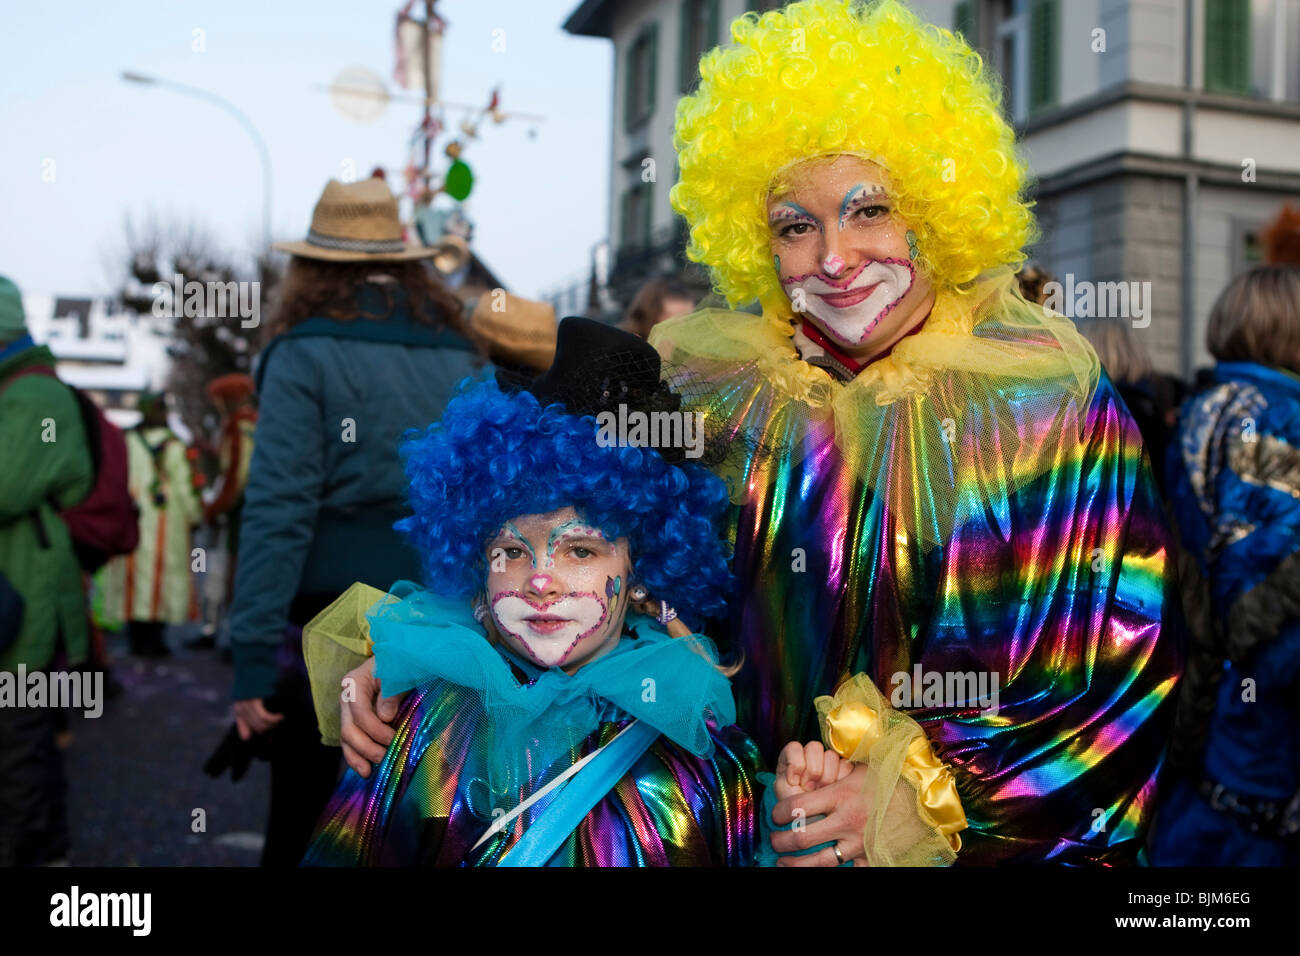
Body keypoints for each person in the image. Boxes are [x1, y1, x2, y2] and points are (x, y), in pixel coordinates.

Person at [343, 0, 1184, 866]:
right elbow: (564, 550)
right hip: (729, 830)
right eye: (795, 225)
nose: (833, 258)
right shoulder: (712, 400)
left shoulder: (1046, 407)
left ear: (936, 209)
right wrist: (419, 664)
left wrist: (917, 797)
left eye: (870, 212)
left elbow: (1119, 674)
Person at [302, 319, 761, 866]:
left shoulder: (698, 747)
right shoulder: (424, 722)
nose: (540, 581)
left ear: (641, 573)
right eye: (511, 553)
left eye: (581, 551)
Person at [222, 176, 484, 867]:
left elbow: (278, 509)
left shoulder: (301, 351)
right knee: (415, 820)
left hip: (328, 620)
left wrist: (250, 658)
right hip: (439, 613)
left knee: (309, 820)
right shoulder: (458, 351)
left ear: (310, 265)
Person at [1151, 265, 1300, 865]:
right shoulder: (1279, 418)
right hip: (1264, 731)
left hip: (1203, 696)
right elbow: (1262, 582)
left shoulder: (1204, 407)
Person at [0, 274, 93, 866]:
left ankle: (34, 853)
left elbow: (5, 487)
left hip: (26, 587)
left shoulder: (31, 396)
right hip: (22, 582)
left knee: (17, 733)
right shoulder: (24, 389)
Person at [98, 390, 200, 658]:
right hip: (168, 524)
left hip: (133, 519)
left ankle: (137, 637)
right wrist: (197, 515)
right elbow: (185, 488)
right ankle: (155, 640)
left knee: (133, 576)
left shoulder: (127, 441)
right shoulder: (176, 446)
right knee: (162, 576)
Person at [622, 276, 697, 339]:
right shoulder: (625, 347)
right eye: (673, 320)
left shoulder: (691, 350)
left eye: (687, 320)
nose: (683, 327)